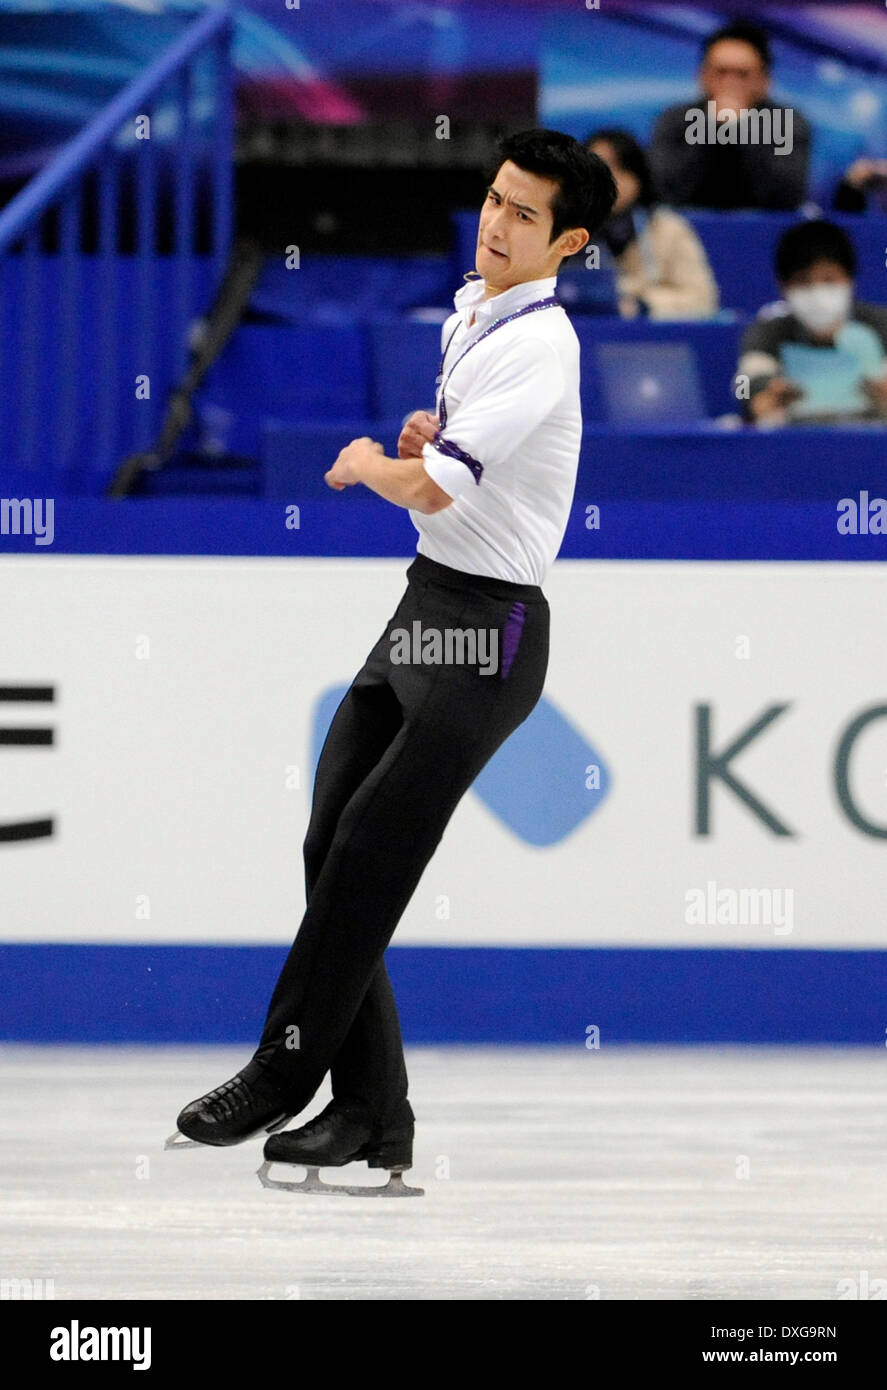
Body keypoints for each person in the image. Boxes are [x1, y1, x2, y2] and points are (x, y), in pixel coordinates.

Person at [168, 129, 618, 1190]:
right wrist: (431, 435)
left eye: (522, 215)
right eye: (494, 200)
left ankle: (281, 1072)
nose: (497, 224)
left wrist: (377, 461)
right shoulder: (474, 310)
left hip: (488, 635)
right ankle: (374, 1115)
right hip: (427, 606)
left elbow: (427, 491)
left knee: (369, 854)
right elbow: (458, 468)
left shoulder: (539, 342)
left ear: (569, 243)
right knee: (332, 841)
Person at [736, 219, 887, 426]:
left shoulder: (879, 325)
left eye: (829, 280)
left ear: (850, 280)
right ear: (783, 287)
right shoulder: (766, 331)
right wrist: (754, 397)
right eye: (803, 281)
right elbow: (740, 384)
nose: (817, 293)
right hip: (796, 444)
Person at [649, 20, 811, 211]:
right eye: (721, 72)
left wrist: (741, 127)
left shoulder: (786, 122)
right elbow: (666, 193)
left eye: (742, 74)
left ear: (764, 80)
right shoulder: (675, 120)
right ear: (703, 75)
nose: (730, 83)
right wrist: (711, 128)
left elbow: (785, 197)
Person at [584, 128, 718, 319]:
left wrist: (643, 304)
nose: (610, 179)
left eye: (620, 168)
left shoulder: (669, 229)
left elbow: (702, 299)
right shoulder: (562, 231)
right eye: (601, 168)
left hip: (651, 342)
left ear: (639, 175)